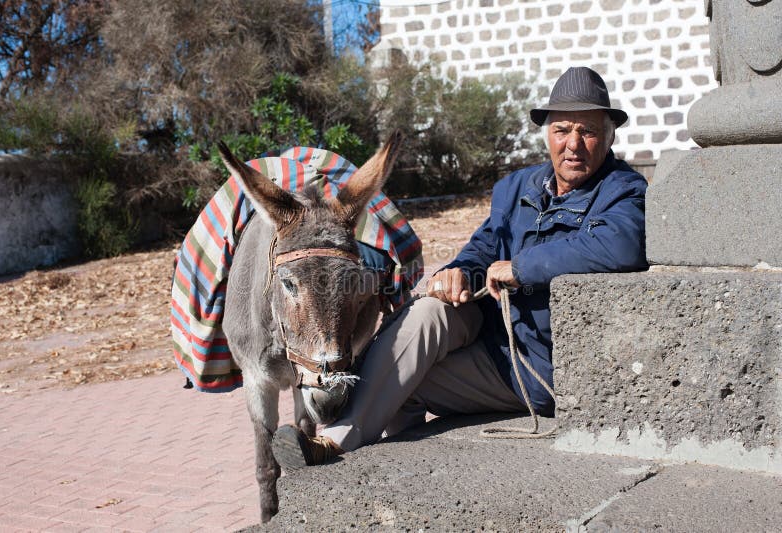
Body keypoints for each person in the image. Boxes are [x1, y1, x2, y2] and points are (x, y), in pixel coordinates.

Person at [271, 66, 649, 468]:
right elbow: (484, 247)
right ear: (547, 134)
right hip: (493, 342)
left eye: (588, 131)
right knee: (423, 319)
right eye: (562, 130)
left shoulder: (623, 190)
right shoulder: (517, 187)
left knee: (398, 383)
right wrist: (460, 273)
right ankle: (344, 446)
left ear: (609, 135)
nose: (574, 144)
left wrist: (522, 267)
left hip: (541, 368)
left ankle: (366, 446)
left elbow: (620, 244)